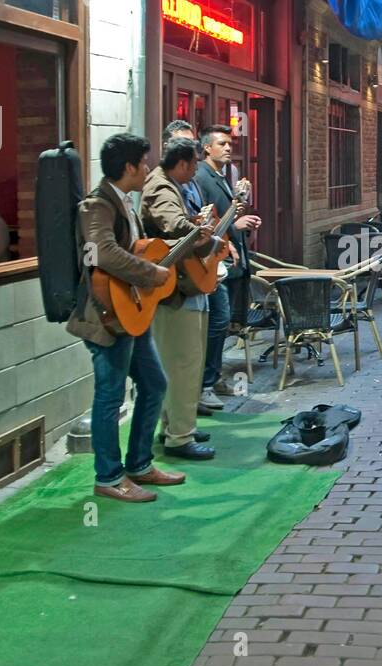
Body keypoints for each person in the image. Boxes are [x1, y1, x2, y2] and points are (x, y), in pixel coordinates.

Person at [65, 132, 183, 502]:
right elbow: (101, 252)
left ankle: (139, 464)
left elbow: (133, 249)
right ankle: (109, 476)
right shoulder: (96, 205)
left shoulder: (125, 203)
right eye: (144, 163)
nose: (148, 168)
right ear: (129, 167)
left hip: (131, 312)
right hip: (105, 317)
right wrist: (151, 275)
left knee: (154, 384)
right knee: (110, 396)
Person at [142, 130, 221, 461]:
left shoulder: (174, 184)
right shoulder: (161, 186)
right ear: (182, 163)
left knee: (181, 362)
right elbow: (172, 224)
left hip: (184, 284)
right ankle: (179, 436)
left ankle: (177, 425)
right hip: (175, 288)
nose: (195, 173)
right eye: (192, 166)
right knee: (184, 363)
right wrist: (199, 230)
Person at [195, 124, 262, 411]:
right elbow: (205, 223)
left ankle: (214, 377)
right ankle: (204, 384)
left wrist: (242, 210)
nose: (227, 148)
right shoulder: (201, 177)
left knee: (224, 324)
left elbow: (228, 214)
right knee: (216, 322)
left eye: (229, 143)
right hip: (212, 261)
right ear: (206, 148)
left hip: (231, 259)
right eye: (221, 143)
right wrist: (234, 224)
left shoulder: (223, 176)